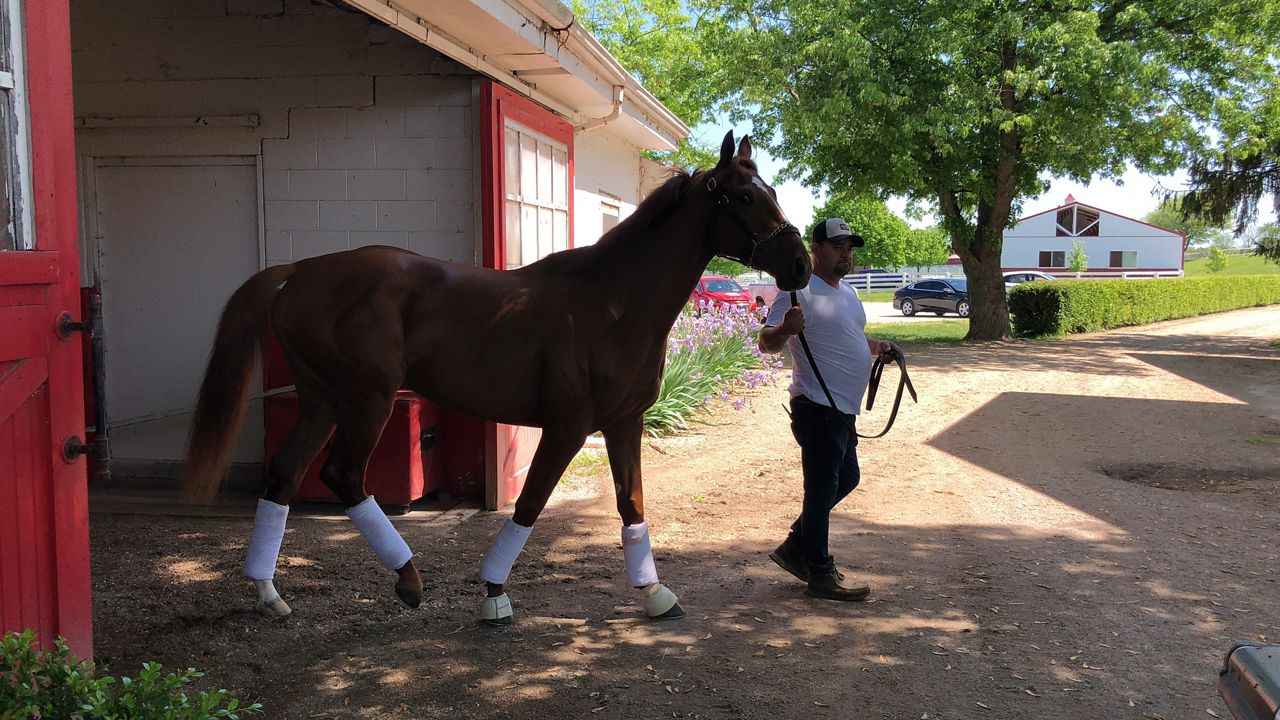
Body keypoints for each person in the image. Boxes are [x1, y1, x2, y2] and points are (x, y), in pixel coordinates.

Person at [757, 217, 896, 601]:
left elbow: (847, 334)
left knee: (845, 479)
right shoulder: (798, 293)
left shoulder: (848, 292)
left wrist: (874, 346)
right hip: (816, 407)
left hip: (840, 410)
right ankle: (819, 571)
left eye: (849, 248)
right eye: (837, 247)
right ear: (815, 251)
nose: (845, 255)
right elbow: (766, 343)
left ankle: (795, 546)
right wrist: (785, 329)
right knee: (820, 493)